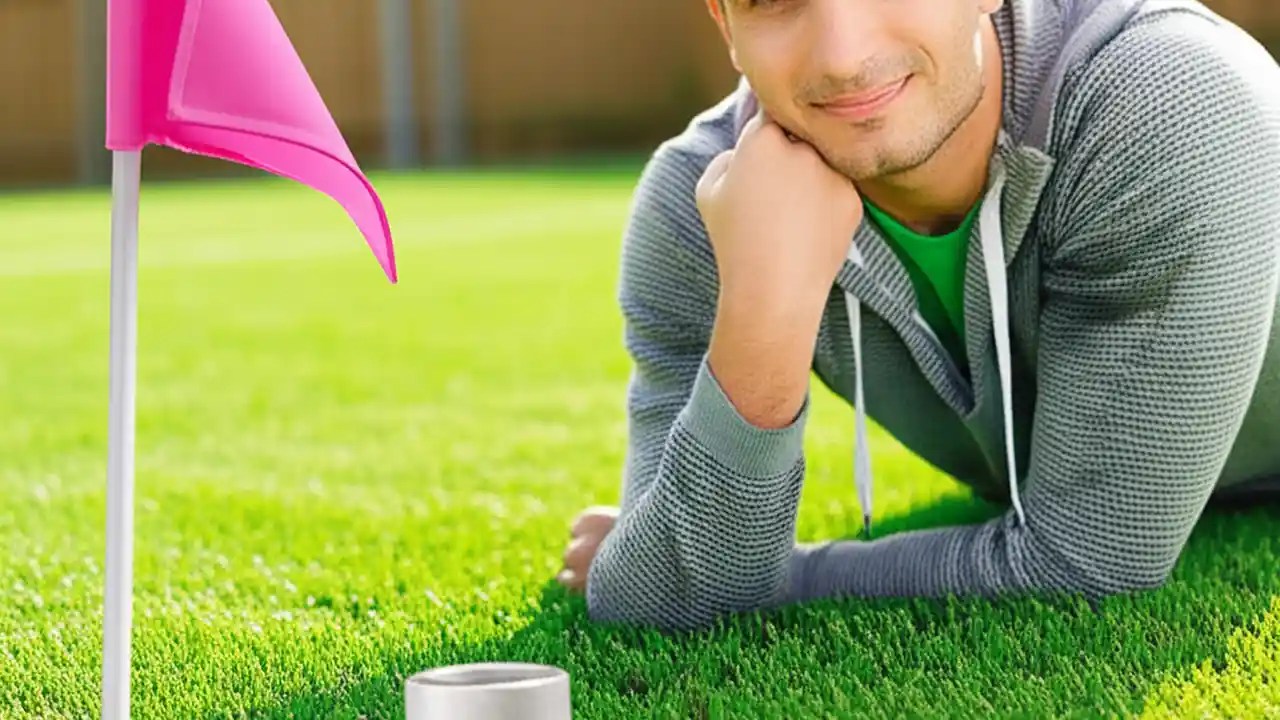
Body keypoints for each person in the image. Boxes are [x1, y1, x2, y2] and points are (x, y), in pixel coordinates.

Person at [556, 0, 1280, 632]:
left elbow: (1087, 560)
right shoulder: (702, 205)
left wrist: (767, 575)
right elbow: (663, 602)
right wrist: (762, 311)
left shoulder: (1165, 99)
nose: (844, 57)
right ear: (724, 23)